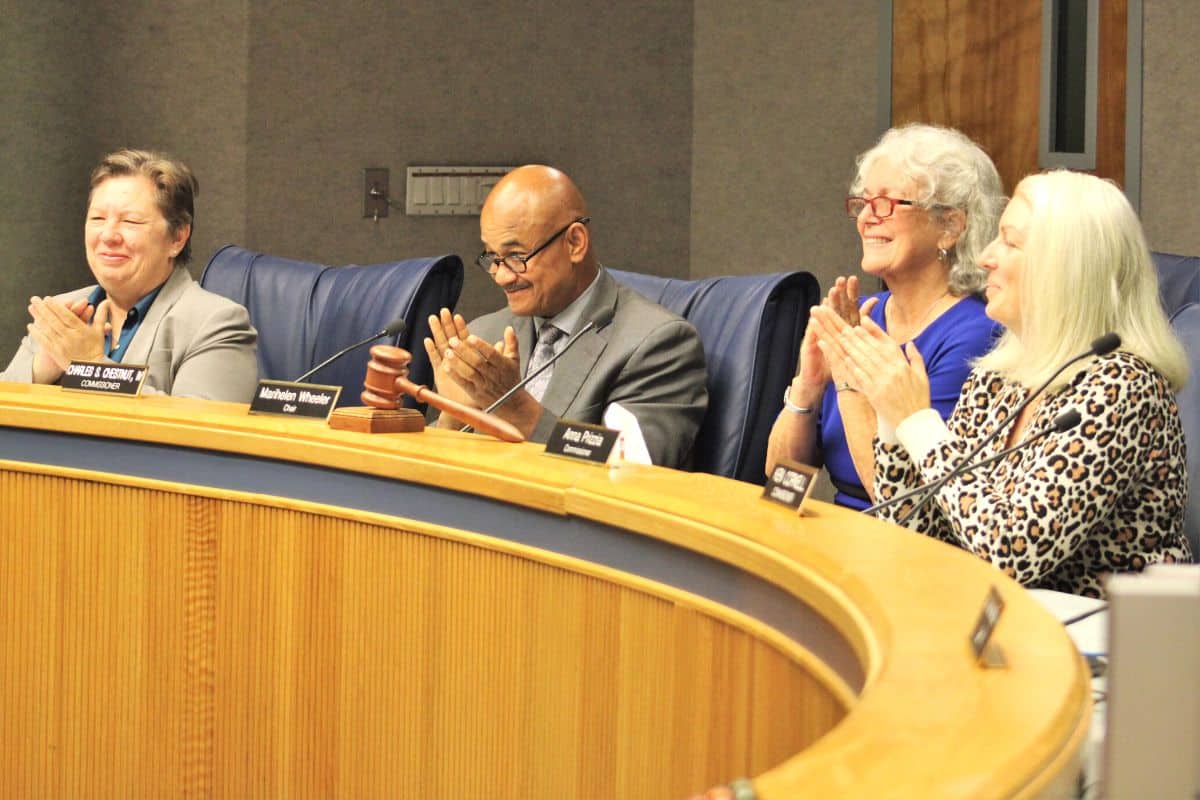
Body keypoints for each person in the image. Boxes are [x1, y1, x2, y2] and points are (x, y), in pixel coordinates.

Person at [813, 170, 1192, 597]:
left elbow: (1011, 555)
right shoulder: (999, 374)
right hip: (1003, 627)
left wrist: (917, 423)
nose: (985, 257)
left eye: (1010, 242)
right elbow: (921, 535)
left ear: (1067, 268)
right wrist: (890, 414)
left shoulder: (1121, 386)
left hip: (1108, 644)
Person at [766, 124, 1004, 508]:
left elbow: (902, 504)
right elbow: (784, 490)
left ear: (950, 226)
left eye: (888, 203)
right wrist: (807, 387)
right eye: (864, 203)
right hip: (834, 542)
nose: (867, 219)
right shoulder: (865, 321)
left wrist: (848, 381)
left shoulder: (975, 335)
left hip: (903, 552)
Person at [423, 164, 708, 469]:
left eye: (517, 257)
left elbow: (627, 469)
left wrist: (516, 408)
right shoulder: (484, 337)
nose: (501, 277)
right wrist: (452, 417)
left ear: (575, 243)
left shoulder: (657, 344)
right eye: (492, 258)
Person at [1, 148, 258, 402]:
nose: (108, 235)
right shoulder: (62, 313)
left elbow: (204, 428)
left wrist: (92, 366)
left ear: (177, 237)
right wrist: (40, 369)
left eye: (131, 222)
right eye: (98, 218)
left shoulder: (216, 322)